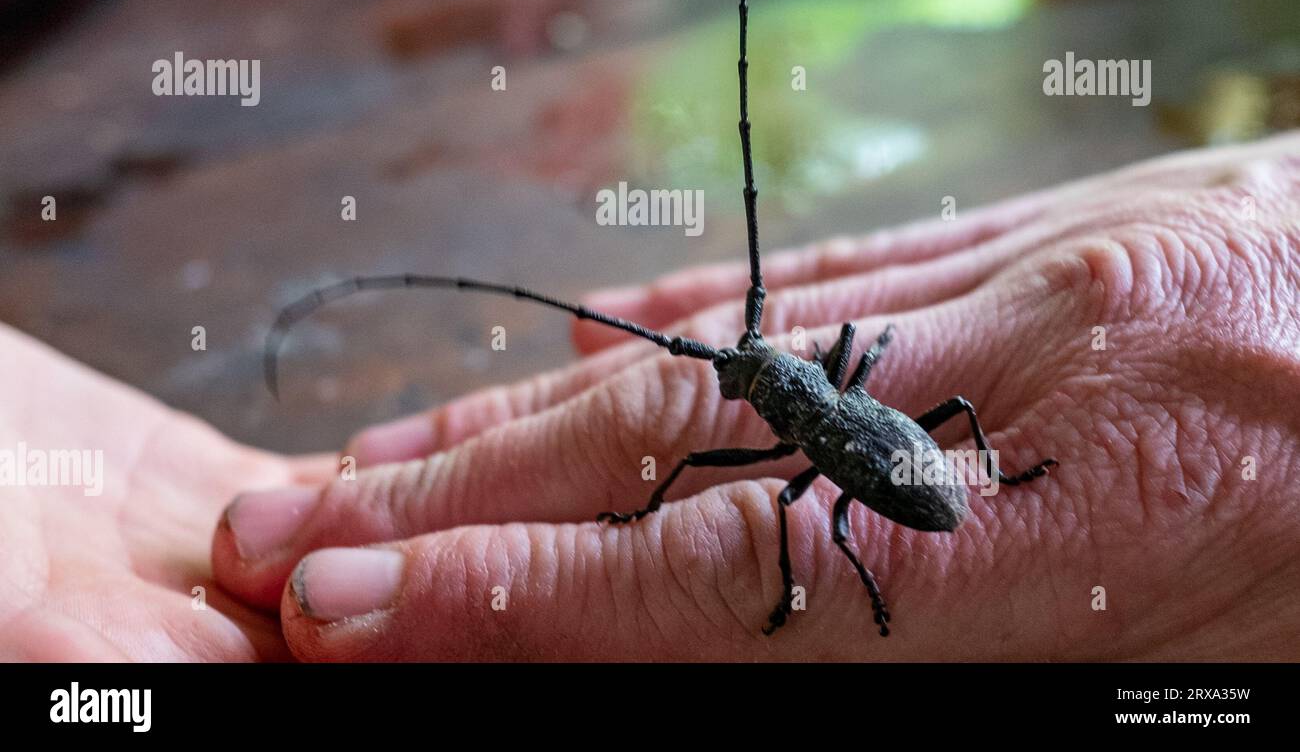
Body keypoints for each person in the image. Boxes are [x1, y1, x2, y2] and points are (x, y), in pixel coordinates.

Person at [4, 133, 1298, 660]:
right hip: (915, 461)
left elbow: (805, 482)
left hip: (908, 475)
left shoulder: (799, 416)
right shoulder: (822, 395)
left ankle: (912, 535)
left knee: (796, 511)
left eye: (753, 367)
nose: (740, 375)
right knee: (830, 491)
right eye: (740, 373)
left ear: (785, 379)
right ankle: (948, 507)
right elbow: (859, 443)